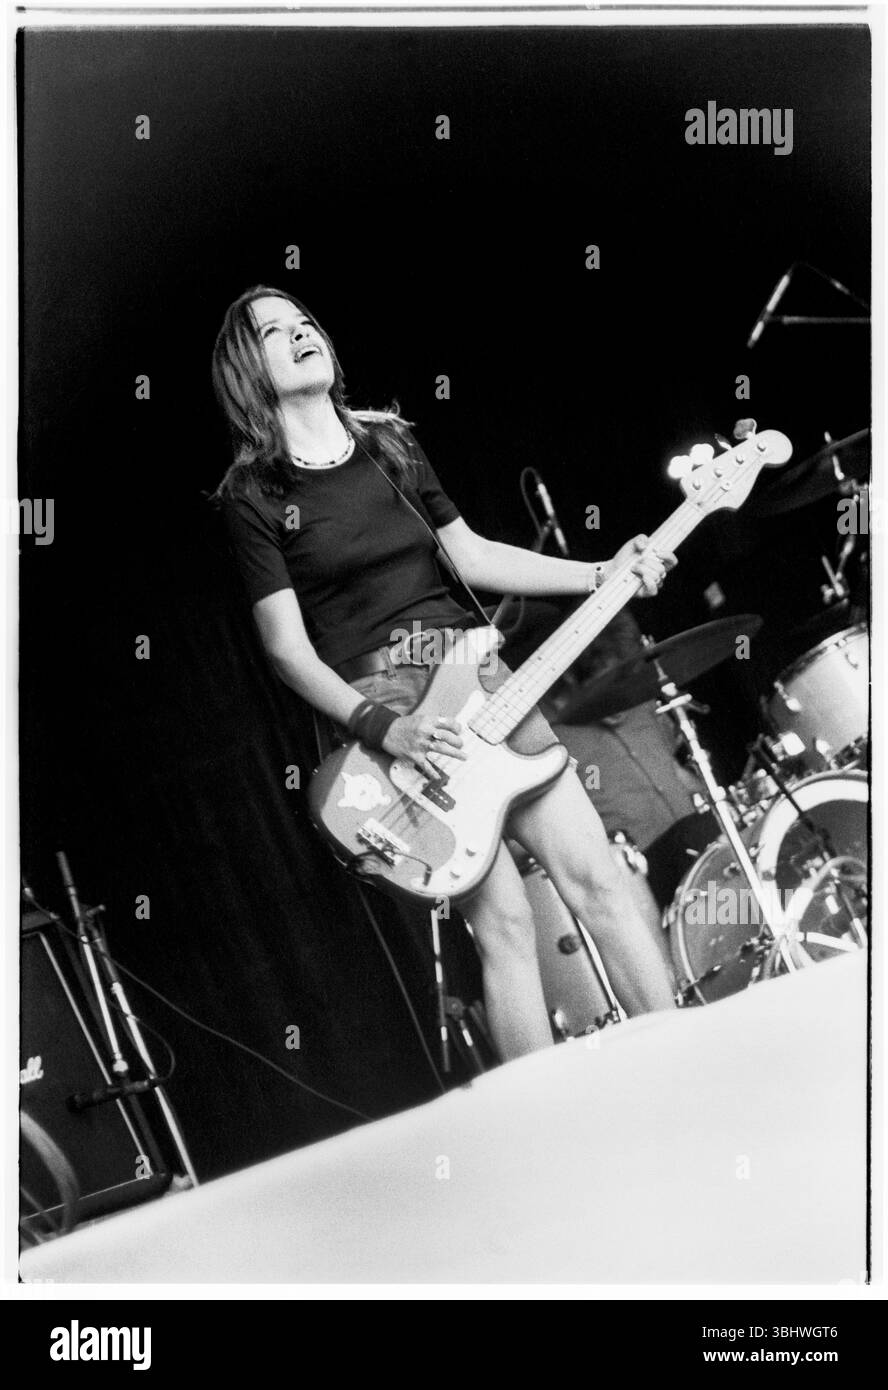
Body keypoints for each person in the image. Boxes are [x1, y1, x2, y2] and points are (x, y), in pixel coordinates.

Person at [212, 285, 677, 1062]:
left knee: (597, 875)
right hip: (393, 717)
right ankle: (534, 1134)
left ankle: (682, 1062)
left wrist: (601, 572)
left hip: (475, 670)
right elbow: (287, 651)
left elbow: (472, 554)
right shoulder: (254, 494)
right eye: (274, 331)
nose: (301, 334)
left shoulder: (391, 444)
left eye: (307, 322)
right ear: (244, 368)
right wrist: (387, 729)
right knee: (504, 927)